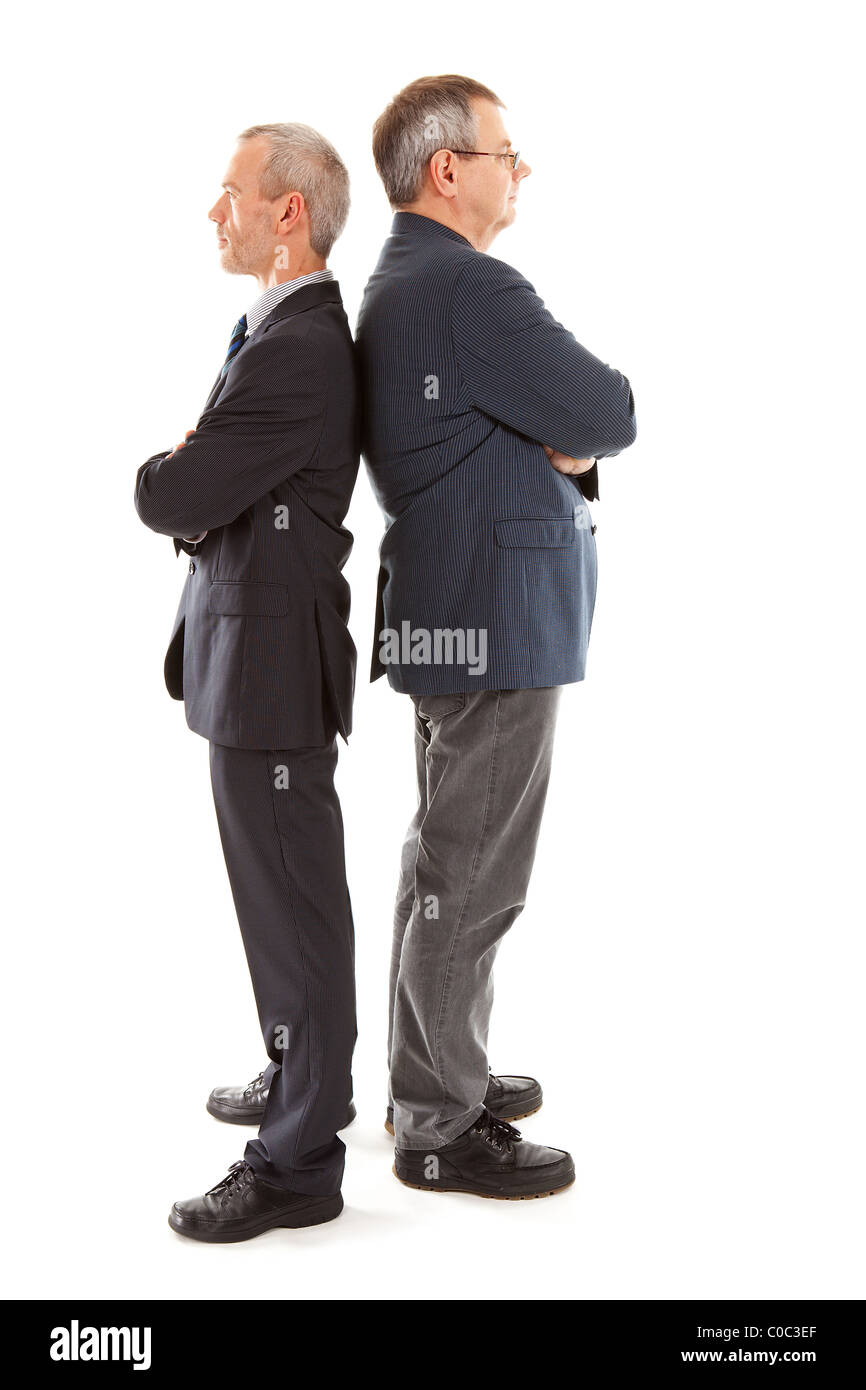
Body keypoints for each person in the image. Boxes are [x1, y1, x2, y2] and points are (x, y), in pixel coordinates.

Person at [356, 75, 637, 1200]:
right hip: (491, 621)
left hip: (455, 608)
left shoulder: (411, 284)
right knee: (470, 871)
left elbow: (560, 429)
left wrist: (554, 445)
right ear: (446, 170)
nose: (517, 171)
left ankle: (427, 1074)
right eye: (504, 153)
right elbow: (605, 409)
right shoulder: (469, 288)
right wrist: (561, 445)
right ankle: (437, 1122)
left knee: (443, 858)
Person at [135, 123, 359, 1242]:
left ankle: (300, 1159)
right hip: (248, 663)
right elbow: (218, 490)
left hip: (271, 672)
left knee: (298, 911)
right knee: (274, 910)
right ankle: (297, 1075)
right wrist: (203, 472)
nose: (211, 213)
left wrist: (174, 470)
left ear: (287, 214)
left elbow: (175, 496)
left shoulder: (300, 347)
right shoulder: (271, 336)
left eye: (229, 194)